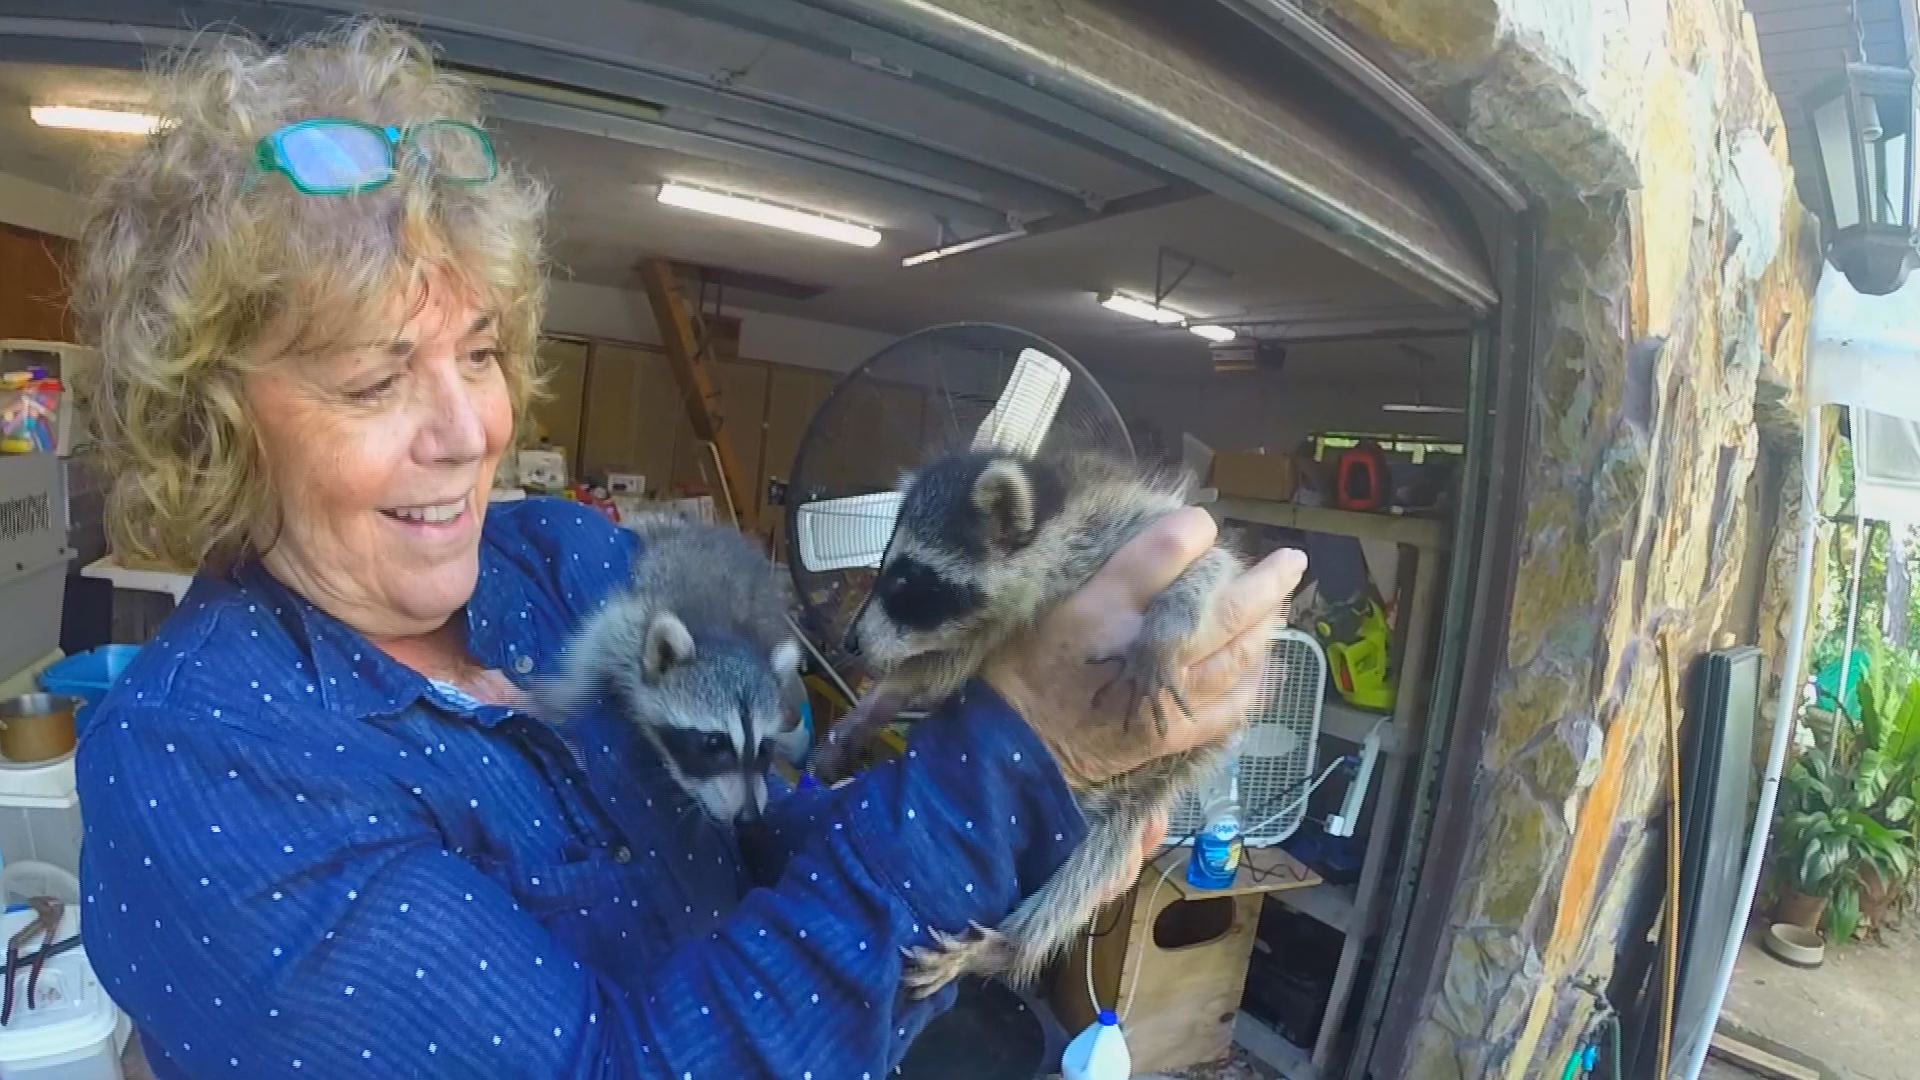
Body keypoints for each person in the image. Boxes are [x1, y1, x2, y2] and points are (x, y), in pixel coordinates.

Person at [72, 19, 1304, 1078]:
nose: (468, 433)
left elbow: (773, 844)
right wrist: (1011, 760)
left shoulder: (561, 564)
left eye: (483, 353)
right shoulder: (207, 761)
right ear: (218, 425)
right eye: (376, 377)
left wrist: (1038, 787)